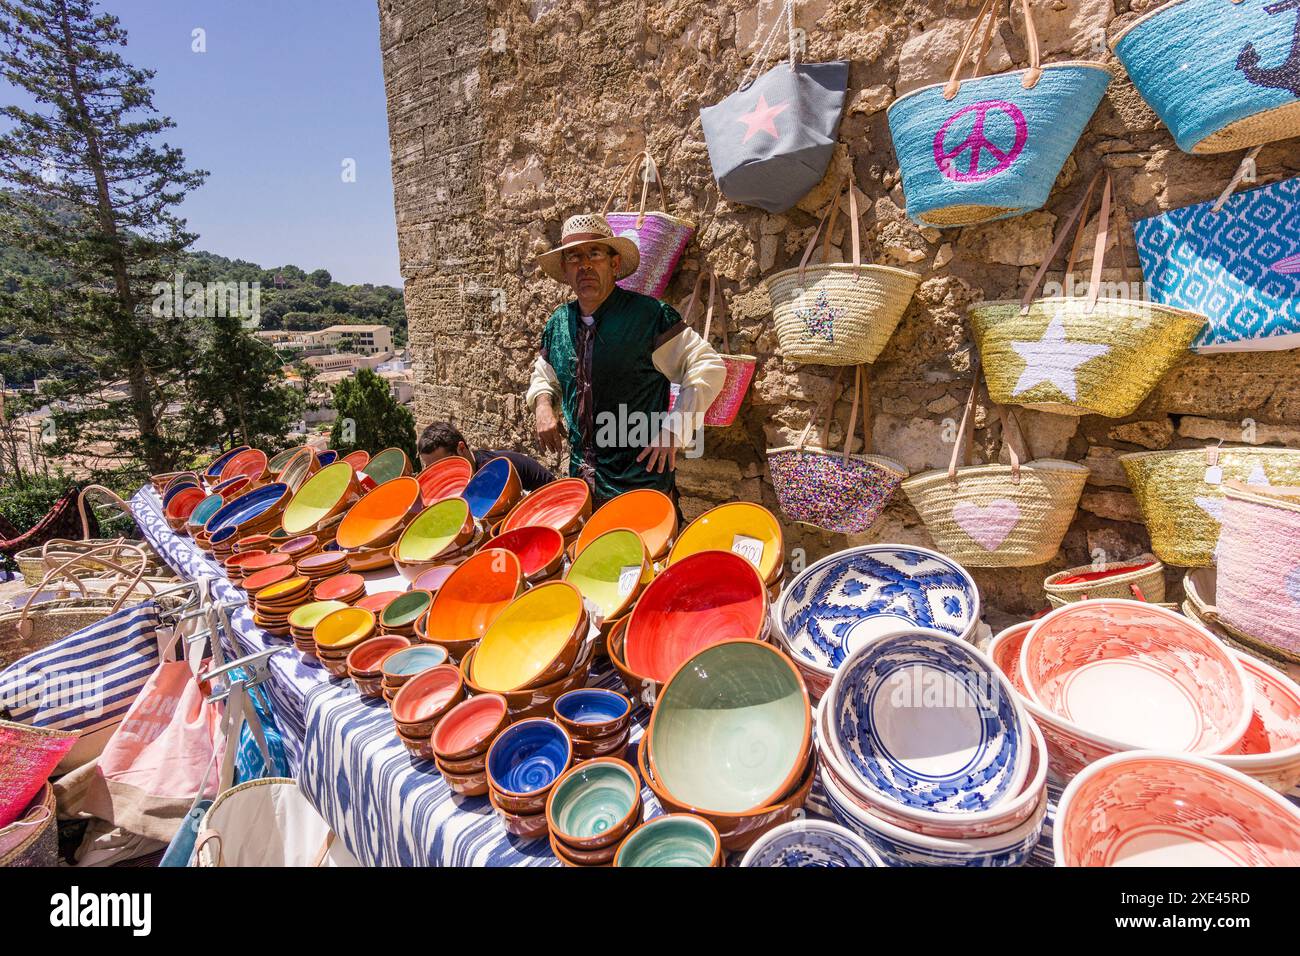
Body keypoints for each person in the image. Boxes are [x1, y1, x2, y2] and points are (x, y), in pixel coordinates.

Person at [525, 212, 726, 508]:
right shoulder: (559, 323)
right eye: (574, 257)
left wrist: (674, 430)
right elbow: (544, 374)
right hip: (583, 486)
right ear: (565, 271)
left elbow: (707, 367)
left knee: (640, 556)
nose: (585, 266)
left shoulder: (649, 317)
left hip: (640, 486)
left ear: (614, 263)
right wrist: (543, 404)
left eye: (595, 254)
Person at [417, 421, 555, 492]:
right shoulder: (473, 469)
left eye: (444, 466)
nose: (439, 475)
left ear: (461, 448)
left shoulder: (491, 470)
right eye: (431, 468)